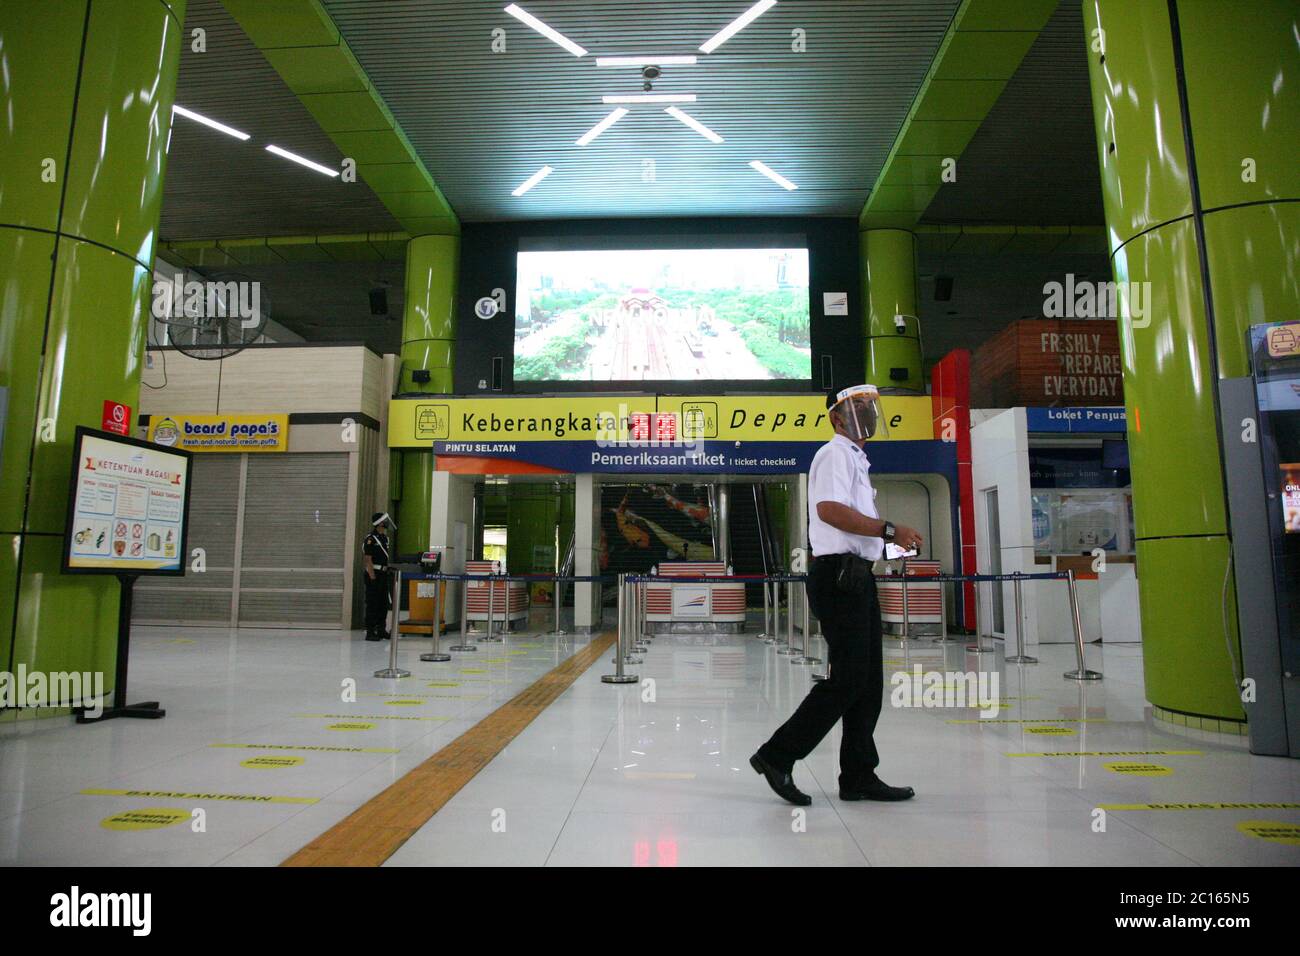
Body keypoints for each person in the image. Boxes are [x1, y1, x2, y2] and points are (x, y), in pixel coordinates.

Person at [751, 384, 924, 805]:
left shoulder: (856, 460)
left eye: (871, 406)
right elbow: (828, 510)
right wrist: (888, 529)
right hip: (838, 578)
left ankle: (859, 775)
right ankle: (777, 755)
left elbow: (851, 523)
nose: (867, 413)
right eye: (858, 406)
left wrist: (892, 544)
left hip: (858, 576)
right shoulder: (833, 453)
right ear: (838, 416)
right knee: (847, 679)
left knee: (867, 682)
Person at [362, 513, 393, 641]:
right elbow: (367, 559)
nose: (386, 523)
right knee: (372, 603)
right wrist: (372, 577)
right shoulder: (371, 539)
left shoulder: (385, 538)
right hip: (373, 574)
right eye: (384, 521)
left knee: (383, 603)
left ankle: (381, 629)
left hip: (383, 573)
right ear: (379, 523)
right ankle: (370, 631)